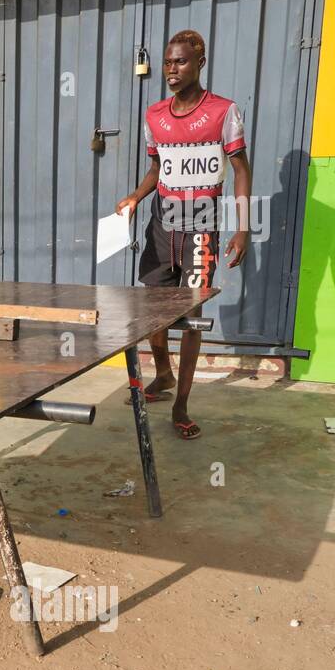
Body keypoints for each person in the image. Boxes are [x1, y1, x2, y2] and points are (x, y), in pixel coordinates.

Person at [117, 30, 252, 441]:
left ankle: (181, 406)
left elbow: (242, 170)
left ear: (200, 63)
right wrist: (136, 197)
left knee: (191, 320)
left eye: (181, 62)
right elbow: (157, 170)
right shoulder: (155, 115)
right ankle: (163, 375)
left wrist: (242, 227)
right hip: (162, 227)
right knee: (154, 311)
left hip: (200, 230)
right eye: (168, 62)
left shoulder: (223, 112)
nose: (172, 70)